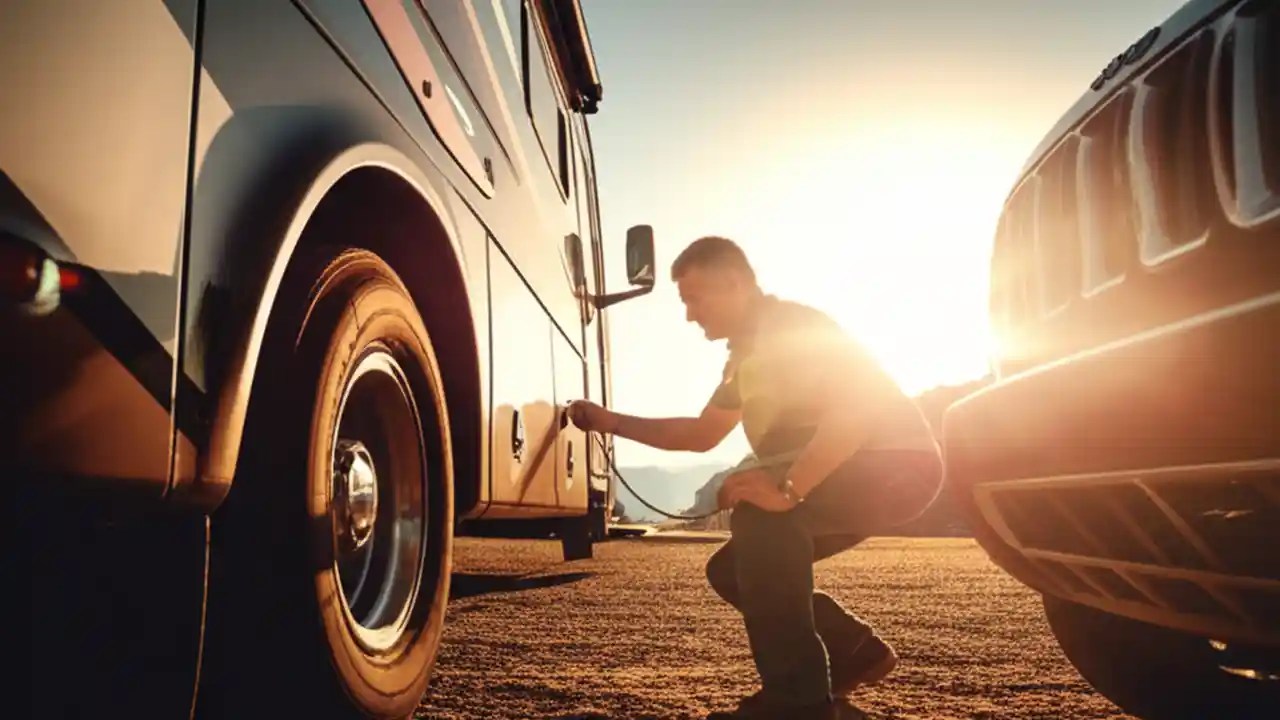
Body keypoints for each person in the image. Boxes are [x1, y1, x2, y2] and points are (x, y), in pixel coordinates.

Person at [568, 236, 944, 719]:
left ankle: (797, 702)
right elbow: (702, 433)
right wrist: (612, 422)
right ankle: (855, 652)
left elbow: (857, 408)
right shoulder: (747, 358)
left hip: (892, 463)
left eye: (694, 298)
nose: (689, 314)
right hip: (853, 468)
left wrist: (789, 488)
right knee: (731, 569)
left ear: (736, 283)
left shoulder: (791, 329)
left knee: (763, 520)